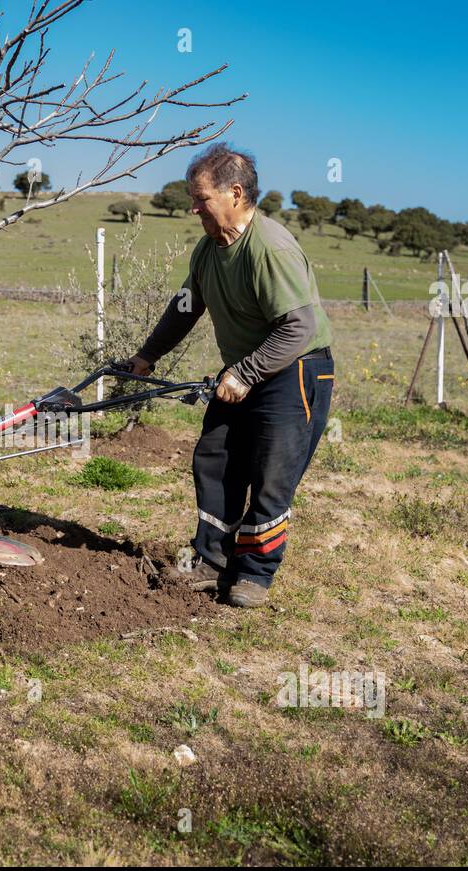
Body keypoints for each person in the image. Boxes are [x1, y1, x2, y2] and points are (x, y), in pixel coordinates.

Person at [127, 144, 334, 607]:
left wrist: (245, 373)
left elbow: (298, 326)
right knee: (215, 457)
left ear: (235, 193)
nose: (194, 207)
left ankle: (254, 574)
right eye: (193, 198)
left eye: (201, 198)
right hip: (245, 368)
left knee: (271, 473)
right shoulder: (208, 249)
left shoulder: (270, 247)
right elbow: (185, 307)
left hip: (294, 368)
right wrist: (147, 356)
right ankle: (212, 558)